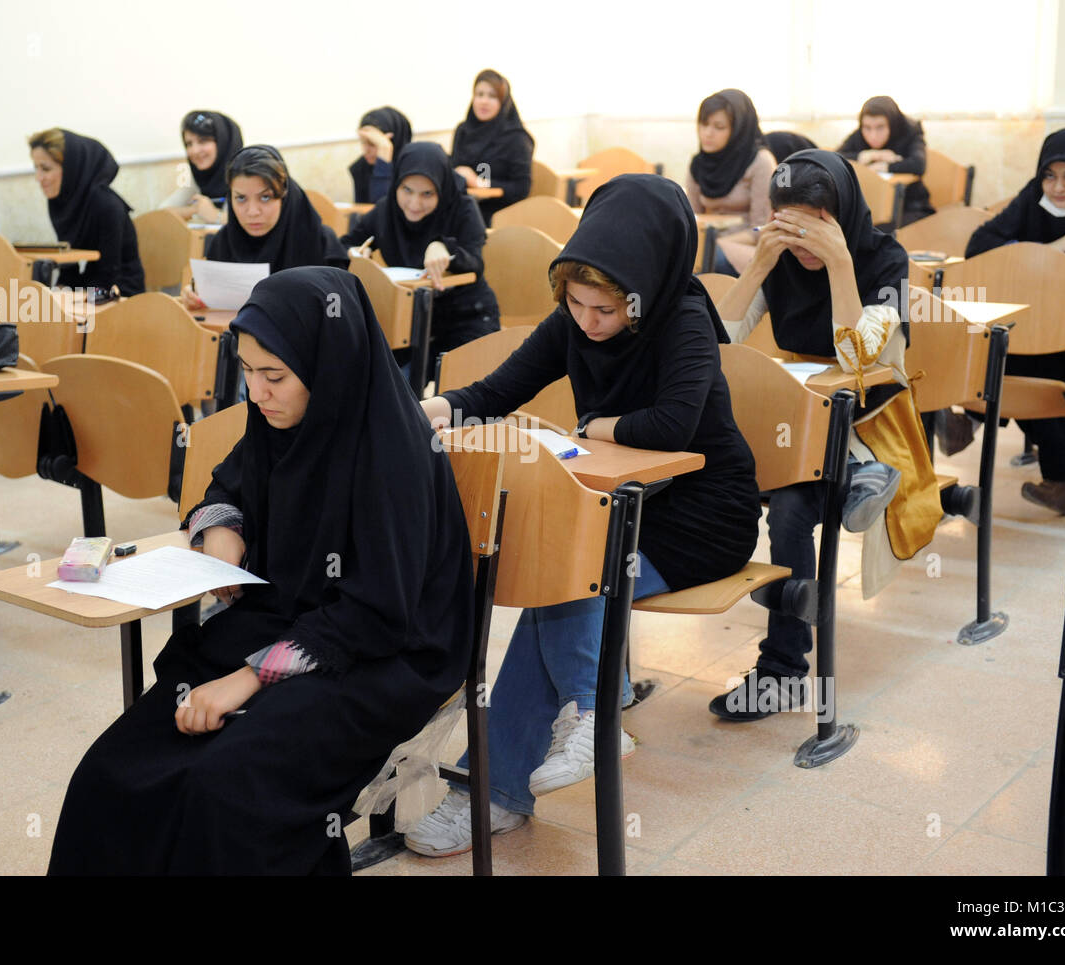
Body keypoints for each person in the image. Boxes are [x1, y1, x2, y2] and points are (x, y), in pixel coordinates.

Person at [47, 266, 475, 875]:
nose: (257, 393)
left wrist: (244, 680)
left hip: (384, 654)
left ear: (328, 368)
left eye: (274, 376)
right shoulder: (279, 425)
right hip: (289, 622)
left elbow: (376, 613)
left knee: (229, 790)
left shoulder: (393, 454)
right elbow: (225, 485)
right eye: (247, 371)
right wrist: (222, 531)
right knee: (110, 773)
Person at [404, 174, 762, 856]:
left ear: (646, 289)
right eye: (576, 305)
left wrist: (596, 424)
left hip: (703, 515)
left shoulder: (682, 317)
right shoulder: (574, 318)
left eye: (605, 310)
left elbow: (675, 424)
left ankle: (540, 759)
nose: (589, 323)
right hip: (617, 508)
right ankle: (575, 726)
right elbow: (499, 389)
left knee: (563, 583)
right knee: (559, 579)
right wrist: (432, 410)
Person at [712, 150, 942, 719]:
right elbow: (716, 343)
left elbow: (858, 357)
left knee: (791, 509)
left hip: (868, 417)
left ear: (839, 216)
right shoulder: (781, 260)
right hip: (792, 422)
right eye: (788, 230)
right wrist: (760, 267)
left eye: (814, 230)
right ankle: (784, 665)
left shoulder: (884, 257)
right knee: (765, 504)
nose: (801, 248)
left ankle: (782, 667)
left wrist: (841, 266)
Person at [957, 128, 1065, 515]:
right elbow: (980, 244)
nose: (1058, 188)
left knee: (1025, 360)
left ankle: (973, 419)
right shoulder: (1032, 200)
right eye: (1049, 176)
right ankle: (1059, 479)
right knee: (1012, 353)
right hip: (1048, 328)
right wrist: (1041, 251)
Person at [341, 142, 500, 360]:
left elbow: (475, 262)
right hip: (409, 319)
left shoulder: (462, 208)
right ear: (396, 183)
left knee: (453, 386)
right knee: (387, 377)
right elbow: (346, 244)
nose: (414, 203)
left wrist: (444, 246)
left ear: (441, 189)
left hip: (466, 317)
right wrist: (355, 253)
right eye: (407, 190)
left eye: (427, 194)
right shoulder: (386, 210)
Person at [181, 145, 348, 312]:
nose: (253, 212)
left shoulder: (320, 243)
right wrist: (194, 297)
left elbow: (338, 311)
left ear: (284, 195)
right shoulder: (224, 242)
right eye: (240, 198)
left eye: (265, 197)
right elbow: (211, 308)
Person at [29, 128, 145, 296]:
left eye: (45, 169)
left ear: (71, 168)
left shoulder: (107, 205)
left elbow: (108, 274)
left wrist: (72, 299)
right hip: (91, 287)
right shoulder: (60, 203)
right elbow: (70, 266)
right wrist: (57, 293)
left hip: (124, 293)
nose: (38, 178)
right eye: (36, 168)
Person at [685, 89, 778, 276]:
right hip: (707, 244)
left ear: (738, 129)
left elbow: (762, 229)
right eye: (704, 124)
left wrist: (712, 245)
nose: (708, 133)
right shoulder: (698, 164)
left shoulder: (761, 161)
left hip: (748, 248)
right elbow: (693, 219)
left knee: (707, 258)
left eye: (719, 127)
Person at [449, 69, 534, 225]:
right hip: (460, 208)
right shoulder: (463, 131)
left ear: (503, 102)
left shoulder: (516, 138)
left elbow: (521, 188)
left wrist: (479, 182)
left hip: (497, 217)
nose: (484, 101)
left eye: (492, 96)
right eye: (479, 94)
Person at [836, 96, 935, 225]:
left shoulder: (910, 130)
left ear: (892, 123)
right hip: (871, 206)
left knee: (879, 232)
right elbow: (836, 157)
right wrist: (871, 155)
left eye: (880, 127)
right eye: (867, 128)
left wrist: (884, 166)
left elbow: (918, 165)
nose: (873, 135)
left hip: (909, 207)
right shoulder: (861, 133)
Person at [160, 110, 243, 224]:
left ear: (224, 142)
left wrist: (216, 216)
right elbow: (162, 212)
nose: (194, 151)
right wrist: (193, 210)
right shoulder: (200, 178)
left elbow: (254, 222)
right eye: (189, 144)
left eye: (203, 141)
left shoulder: (247, 176)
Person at [349, 106, 412, 204]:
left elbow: (384, 208)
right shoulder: (360, 168)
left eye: (373, 143)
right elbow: (368, 213)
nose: (366, 150)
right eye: (363, 142)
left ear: (394, 142)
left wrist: (384, 152)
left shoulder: (413, 168)